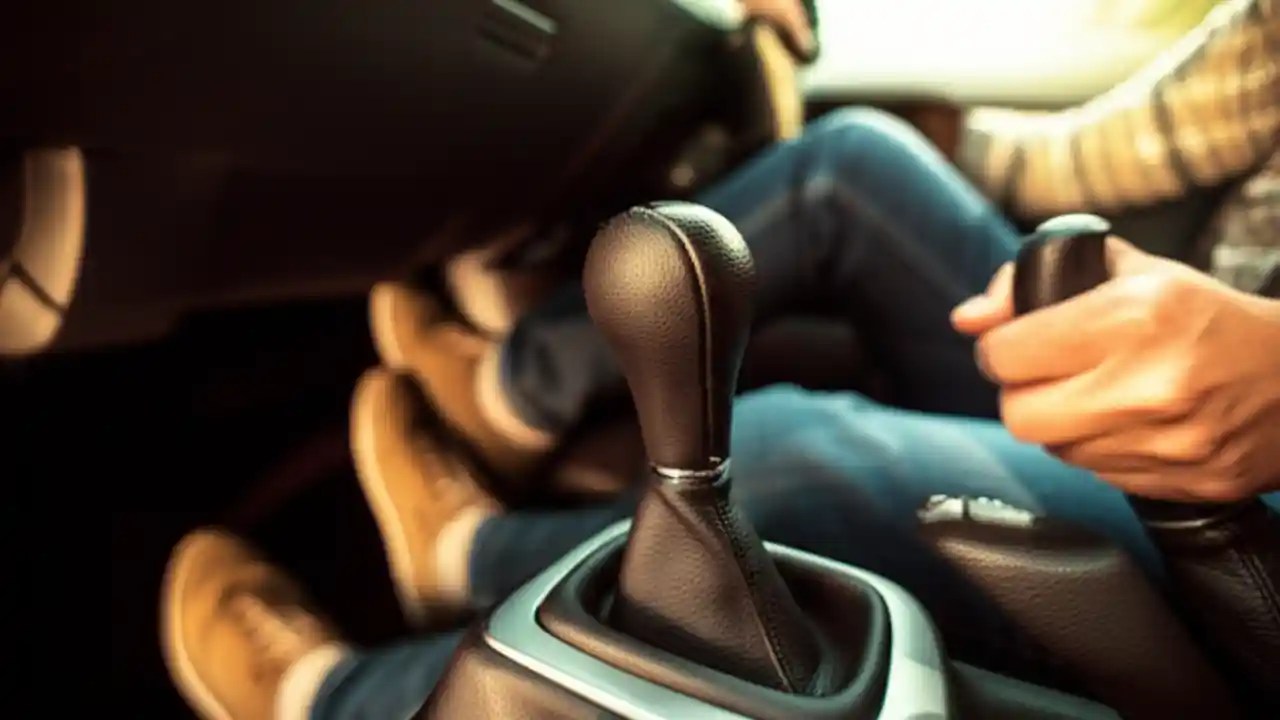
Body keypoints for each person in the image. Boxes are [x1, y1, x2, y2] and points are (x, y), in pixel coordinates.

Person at [161, 0, 1280, 718]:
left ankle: (352, 680)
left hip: (1251, 533)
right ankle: (509, 400)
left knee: (782, 457)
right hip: (1175, 358)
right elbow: (1110, 150)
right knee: (849, 162)